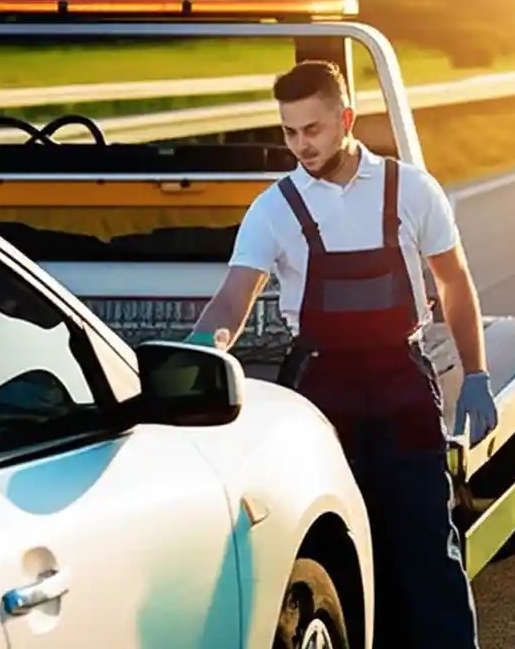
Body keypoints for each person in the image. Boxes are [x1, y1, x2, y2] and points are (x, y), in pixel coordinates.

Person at [186, 59, 497, 648]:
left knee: (427, 546)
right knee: (337, 543)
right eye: (289, 132)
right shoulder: (274, 208)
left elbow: (454, 282)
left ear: (346, 119)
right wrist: (200, 351)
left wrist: (476, 373)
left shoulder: (410, 189)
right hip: (322, 388)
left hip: (402, 380)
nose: (301, 145)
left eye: (314, 129)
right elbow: (232, 300)